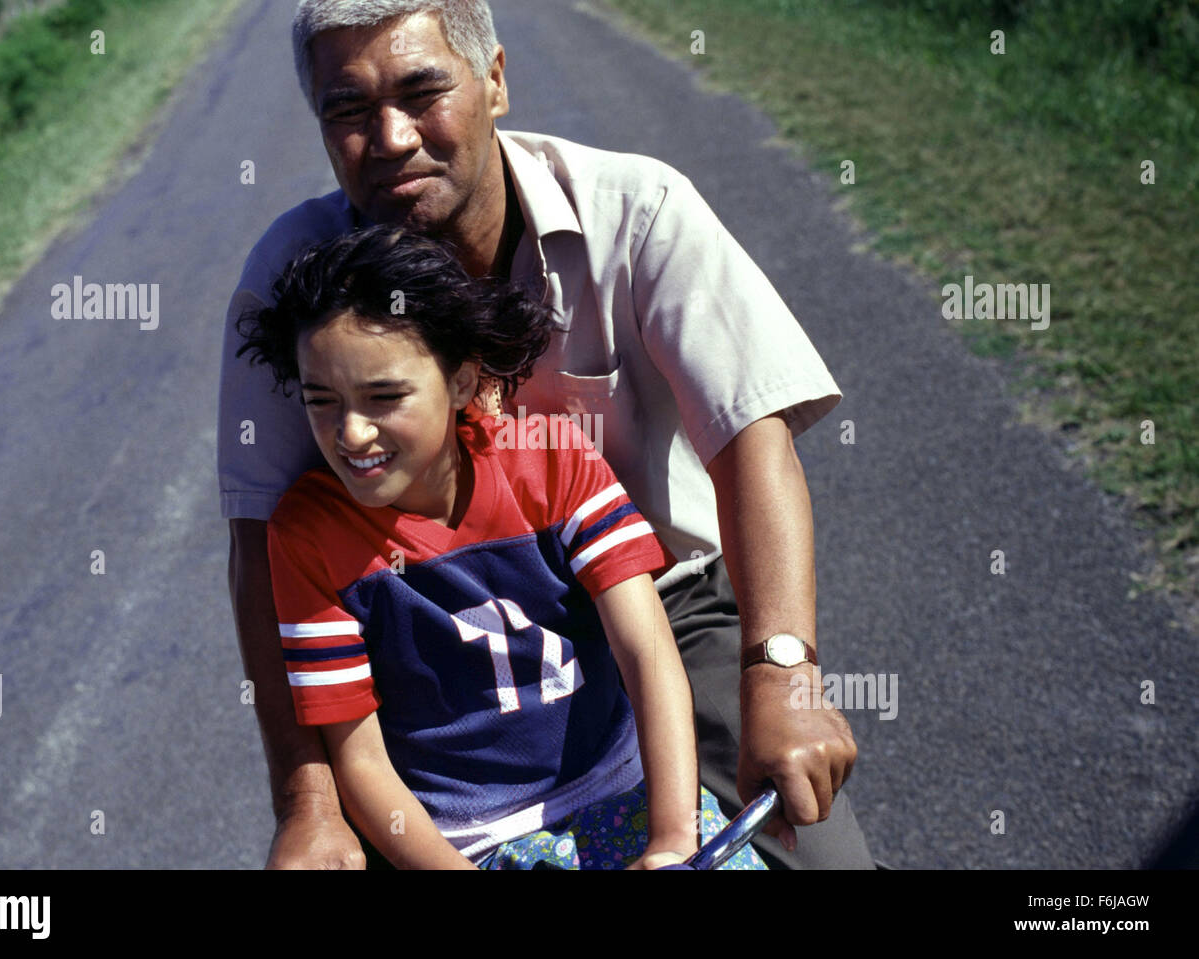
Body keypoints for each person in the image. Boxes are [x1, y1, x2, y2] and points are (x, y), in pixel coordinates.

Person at [219, 0, 874, 869]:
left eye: (423, 91)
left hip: (657, 604)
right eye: (346, 109)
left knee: (819, 852)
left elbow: (752, 436)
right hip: (424, 649)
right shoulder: (292, 284)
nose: (390, 138)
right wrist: (308, 802)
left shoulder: (637, 209)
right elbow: (262, 539)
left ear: (494, 80)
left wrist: (782, 675)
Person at [234, 224, 766, 870]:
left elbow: (647, 652)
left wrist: (672, 840)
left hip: (625, 788)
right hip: (468, 847)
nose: (350, 431)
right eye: (322, 401)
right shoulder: (306, 536)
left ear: (462, 380)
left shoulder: (554, 458)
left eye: (384, 397)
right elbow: (361, 759)